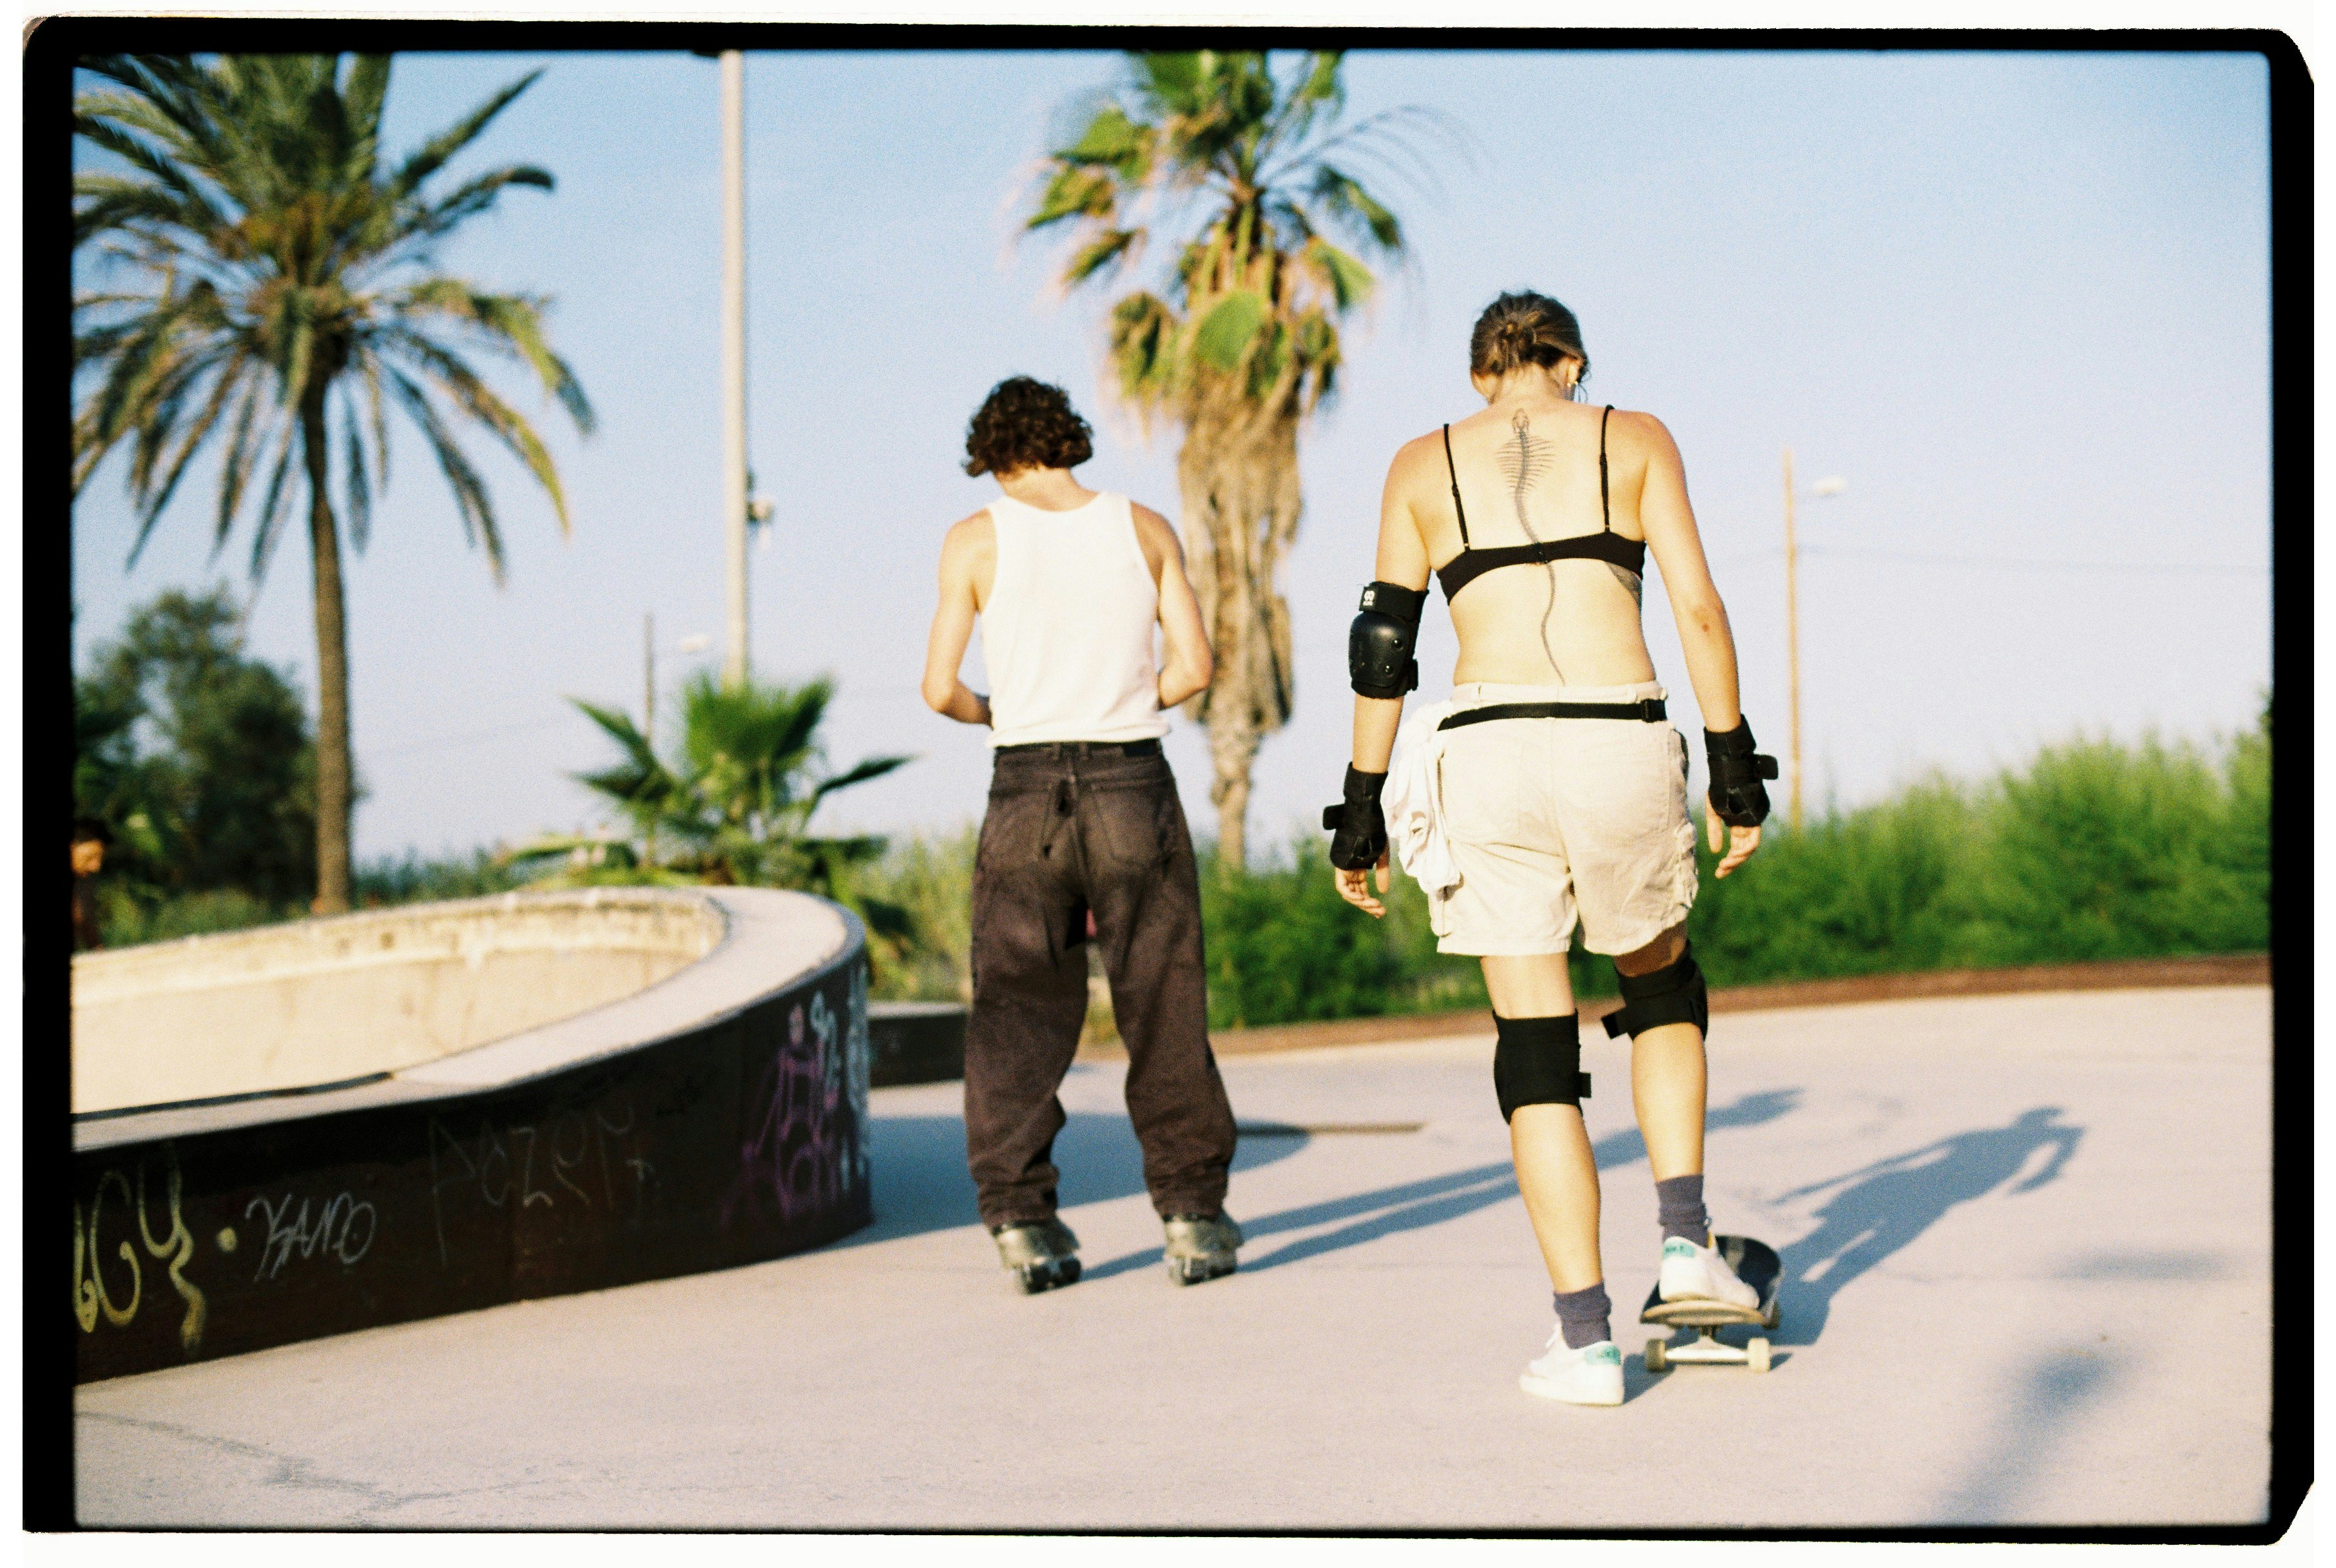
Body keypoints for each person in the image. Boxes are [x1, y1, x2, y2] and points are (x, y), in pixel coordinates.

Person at [1324, 292, 1779, 1405]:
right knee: (1660, 986)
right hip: (1612, 734)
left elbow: (1386, 645)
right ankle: (1685, 1246)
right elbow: (1700, 606)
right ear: (1568, 361)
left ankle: (1584, 1344)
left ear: (1484, 375)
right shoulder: (1634, 434)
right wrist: (1733, 765)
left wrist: (1361, 803)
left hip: (1482, 751)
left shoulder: (1420, 461)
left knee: (1534, 1050)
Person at [922, 375, 1244, 1294]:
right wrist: (1125, 701)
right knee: (1162, 999)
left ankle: (1022, 1223)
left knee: (1017, 1014)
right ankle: (1191, 1218)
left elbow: (939, 688)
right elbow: (1195, 666)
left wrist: (1005, 711)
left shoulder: (973, 539)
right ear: (1069, 440)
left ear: (992, 454)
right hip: (1130, 779)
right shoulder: (1141, 528)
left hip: (1024, 784)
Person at [72, 819, 111, 953]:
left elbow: (84, 917)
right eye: (89, 858)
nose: (96, 867)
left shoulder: (83, 879)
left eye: (99, 859)